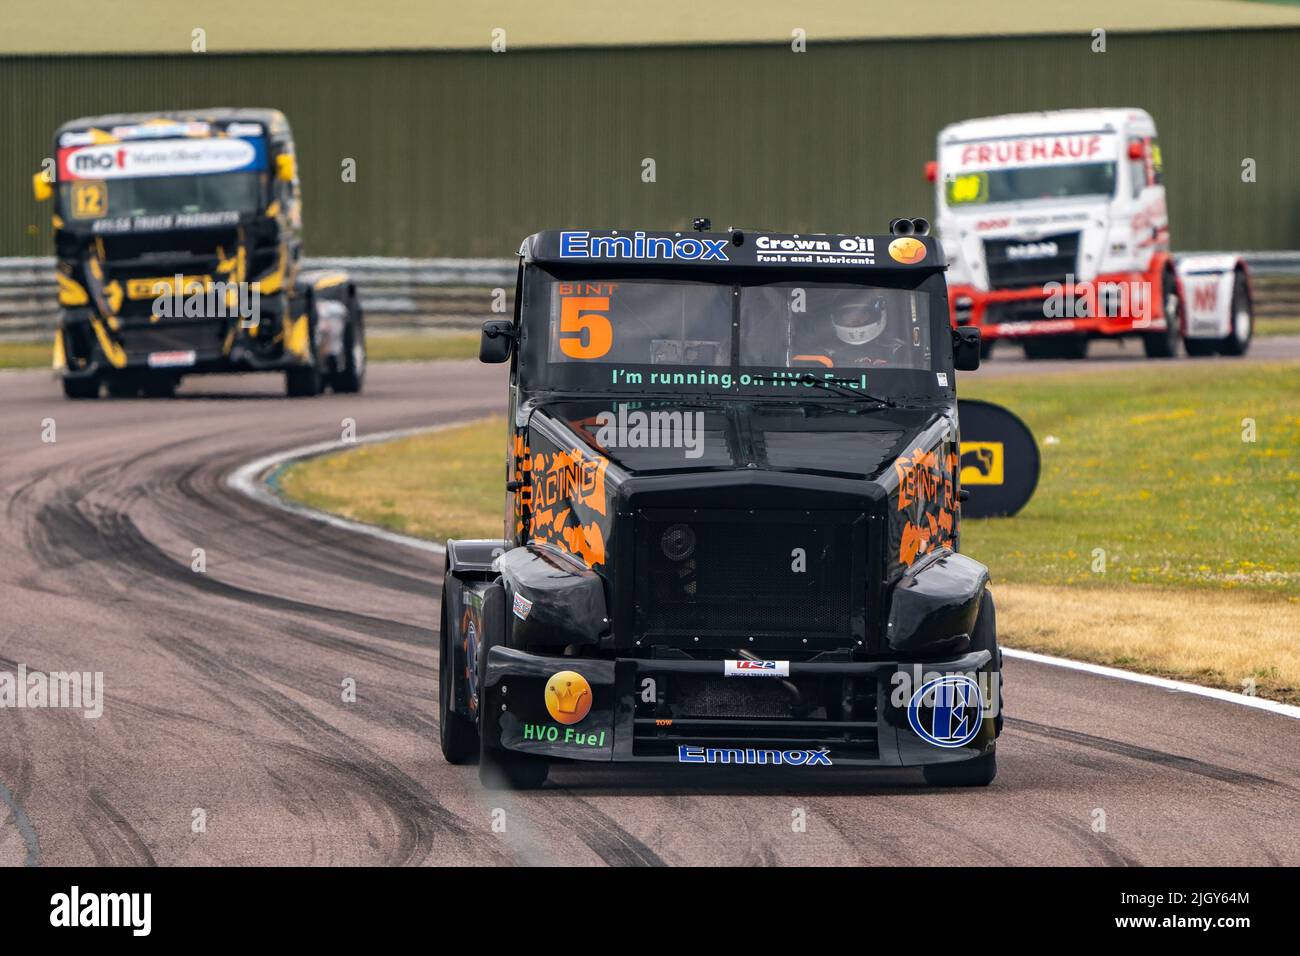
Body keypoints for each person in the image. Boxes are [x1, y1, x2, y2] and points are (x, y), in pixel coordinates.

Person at [792, 290, 913, 367]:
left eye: (863, 314)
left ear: (877, 314)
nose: (855, 320)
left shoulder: (898, 350)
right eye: (848, 315)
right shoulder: (824, 350)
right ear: (836, 318)